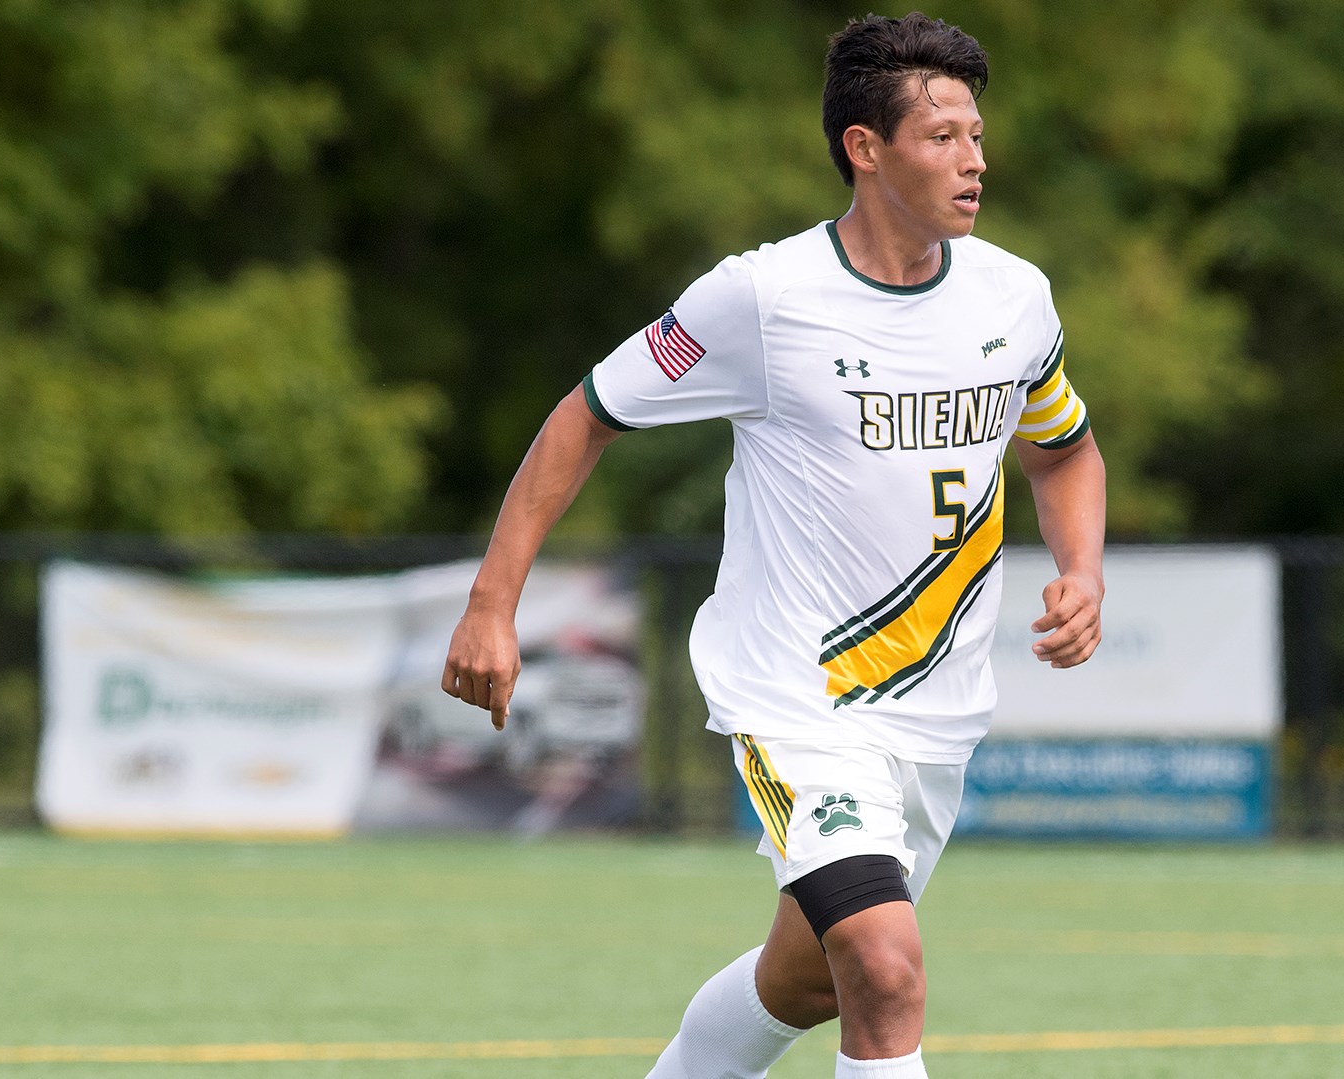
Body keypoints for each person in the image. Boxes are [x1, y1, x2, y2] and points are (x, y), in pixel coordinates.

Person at [441, 12, 1105, 1077]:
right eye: (942, 137)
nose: (974, 159)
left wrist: (1082, 567)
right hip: (802, 697)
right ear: (865, 148)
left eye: (977, 136)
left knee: (802, 978)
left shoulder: (1014, 297)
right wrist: (491, 601)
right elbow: (589, 411)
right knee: (885, 966)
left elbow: (1064, 450)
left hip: (937, 714)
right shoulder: (762, 297)